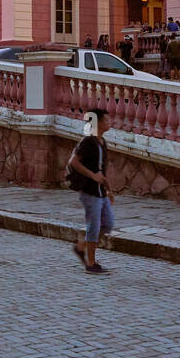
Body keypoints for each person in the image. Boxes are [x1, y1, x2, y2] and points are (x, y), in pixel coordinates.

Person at [67, 108, 115, 275]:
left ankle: (81, 247)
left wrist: (108, 190)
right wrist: (92, 176)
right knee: (93, 227)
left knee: (107, 223)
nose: (109, 123)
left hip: (101, 192)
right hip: (89, 192)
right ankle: (91, 263)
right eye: (106, 120)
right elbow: (74, 162)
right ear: (98, 123)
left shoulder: (102, 142)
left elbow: (101, 170)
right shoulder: (87, 142)